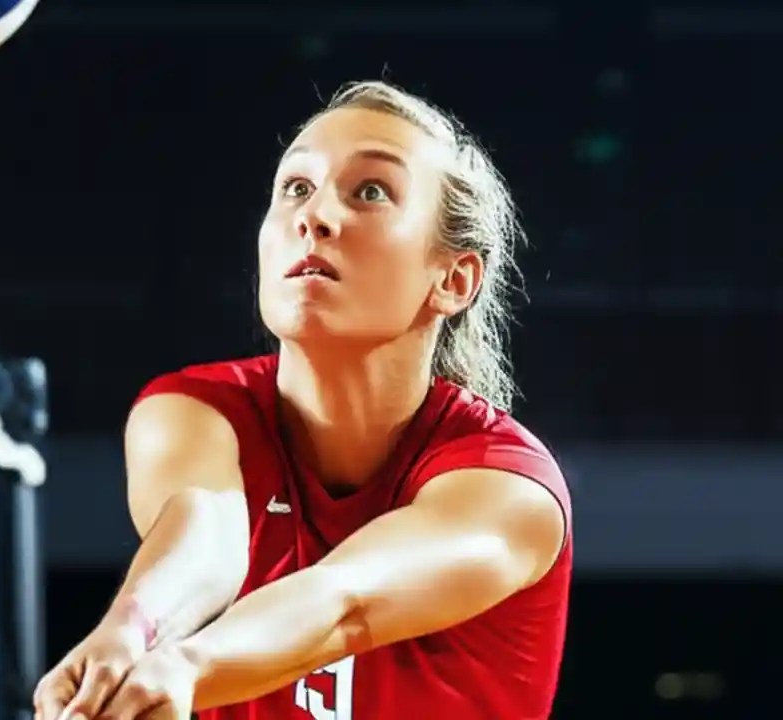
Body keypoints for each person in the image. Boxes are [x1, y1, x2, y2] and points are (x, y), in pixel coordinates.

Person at [33, 80, 572, 720]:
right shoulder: (189, 412)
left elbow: (343, 602)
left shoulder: (509, 490)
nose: (313, 216)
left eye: (370, 191)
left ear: (454, 278)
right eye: (296, 187)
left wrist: (185, 667)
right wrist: (131, 634)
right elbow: (207, 536)